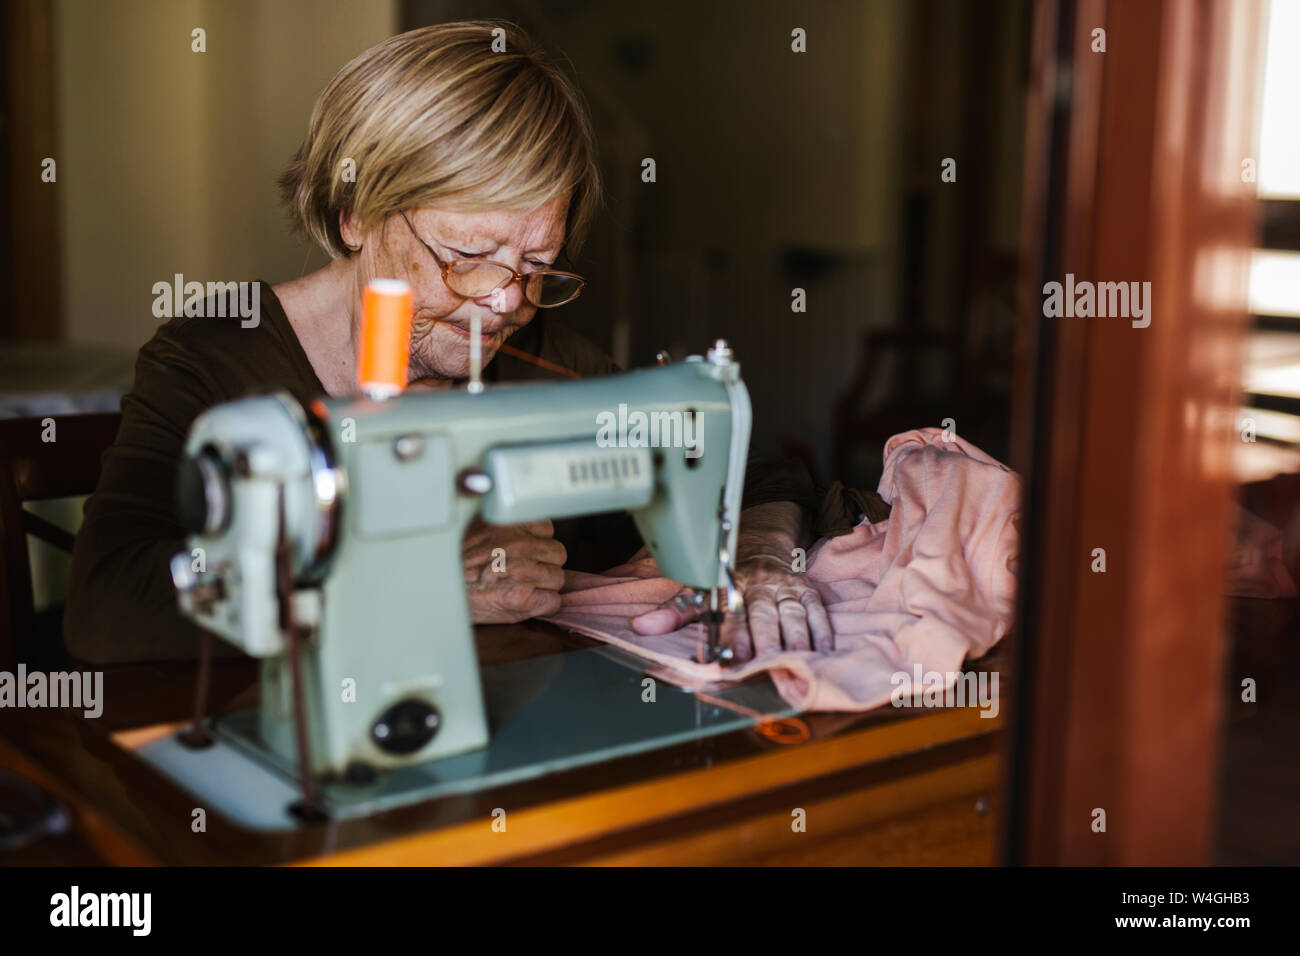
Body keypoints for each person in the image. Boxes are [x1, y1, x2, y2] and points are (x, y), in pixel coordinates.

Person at [65, 21, 829, 663]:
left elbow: (751, 474)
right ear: (355, 213)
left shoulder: (546, 362)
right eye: (464, 256)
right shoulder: (211, 359)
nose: (504, 304)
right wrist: (407, 583)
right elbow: (106, 604)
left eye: (538, 266)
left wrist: (758, 556)